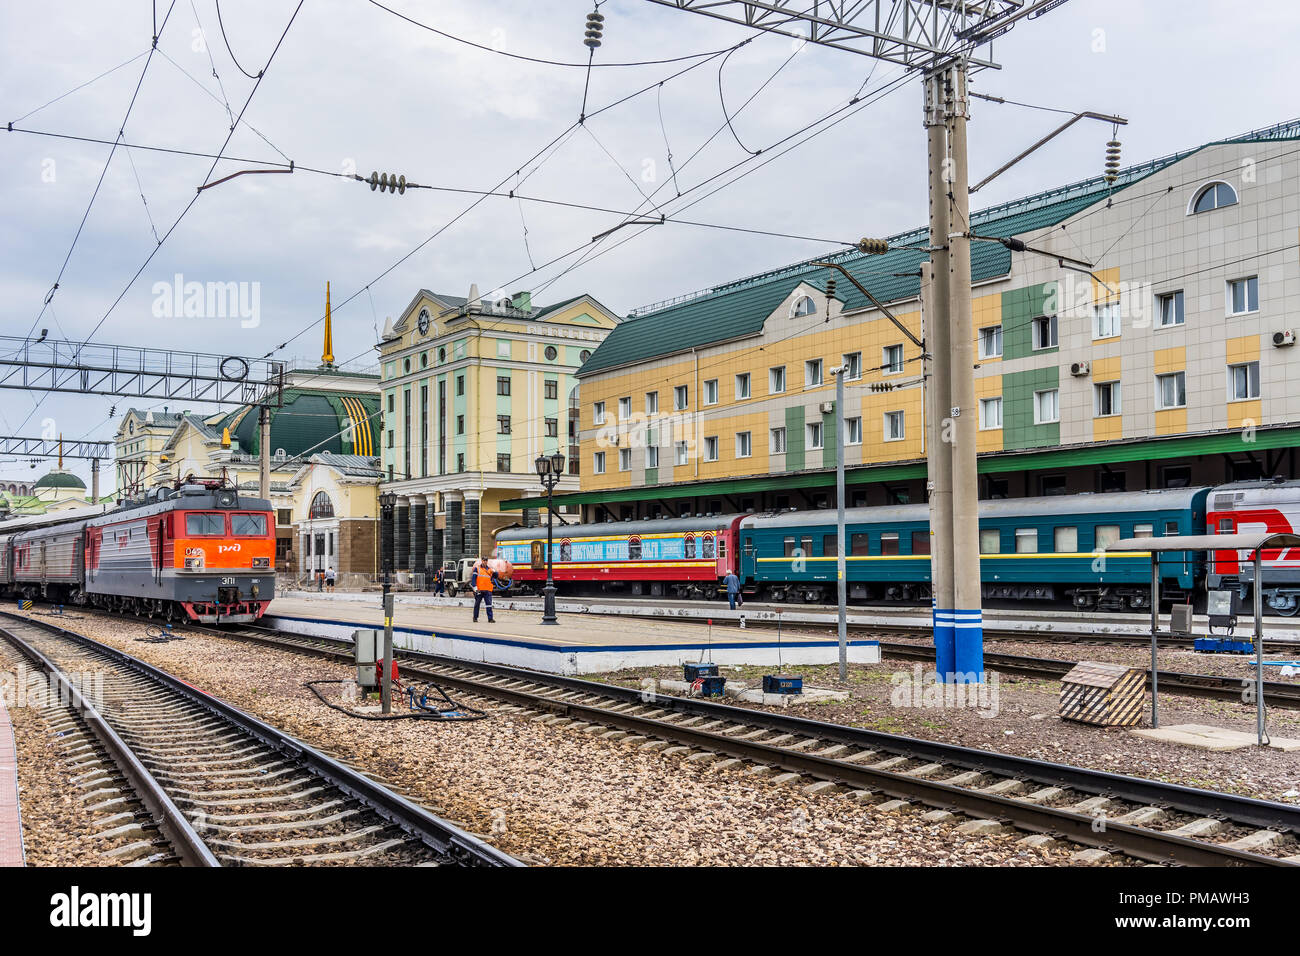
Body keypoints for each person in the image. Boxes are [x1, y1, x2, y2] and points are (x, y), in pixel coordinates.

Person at [472, 557, 497, 624]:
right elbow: (473, 579)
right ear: (482, 561)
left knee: (489, 605)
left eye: (486, 560)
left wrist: (495, 571)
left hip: (488, 590)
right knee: (477, 604)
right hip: (479, 590)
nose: (485, 561)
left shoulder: (490, 569)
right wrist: (475, 587)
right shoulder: (477, 568)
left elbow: (496, 576)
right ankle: (475, 617)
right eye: (484, 560)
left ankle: (490, 619)